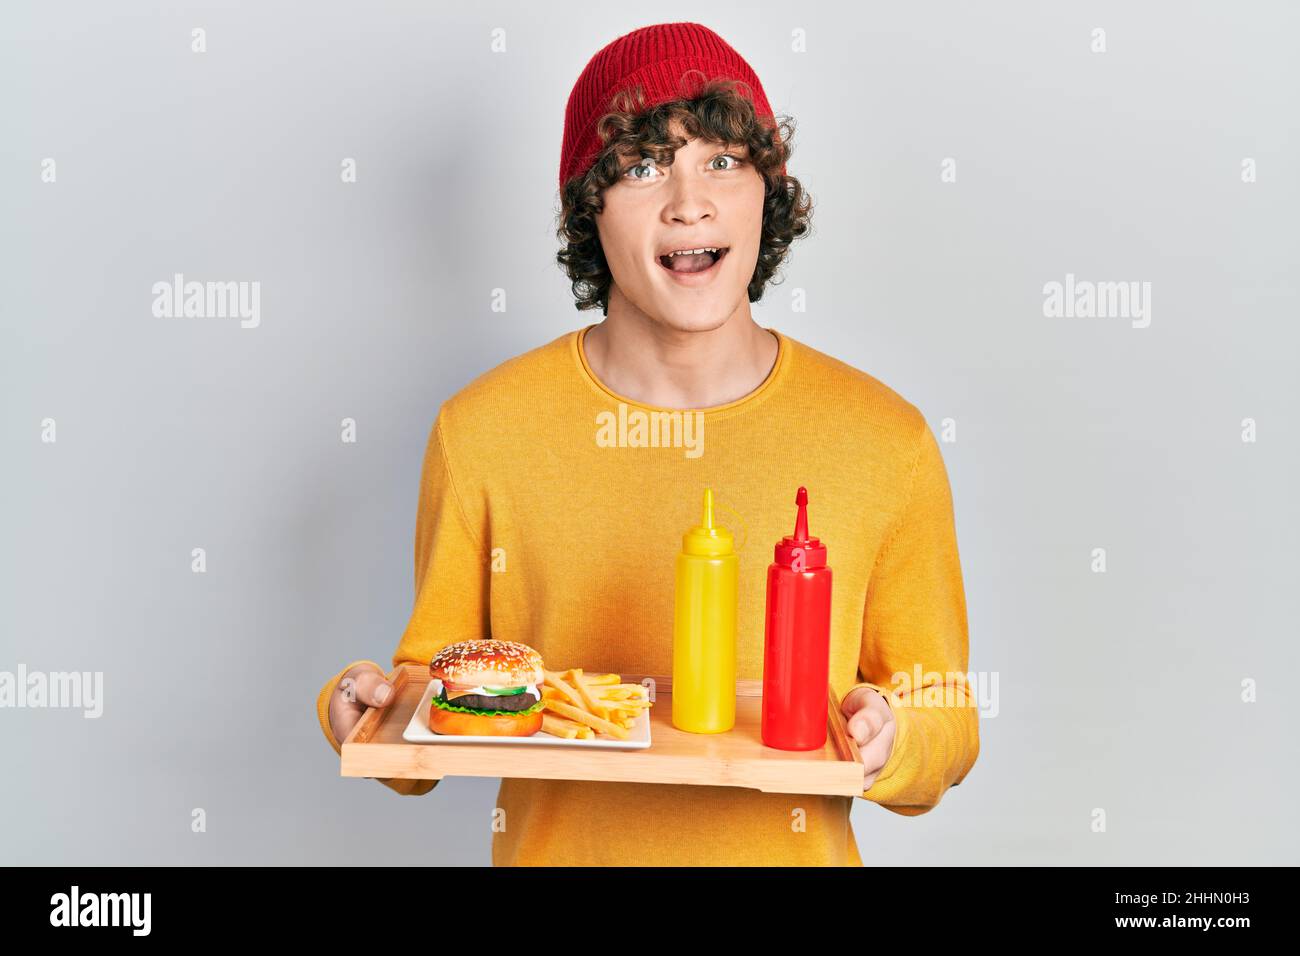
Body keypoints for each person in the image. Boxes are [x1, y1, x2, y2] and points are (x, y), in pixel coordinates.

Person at [316, 21, 978, 866]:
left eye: (722, 160)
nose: (687, 201)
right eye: (640, 167)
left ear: (766, 191)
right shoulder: (480, 432)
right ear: (588, 211)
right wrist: (354, 705)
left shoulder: (887, 440)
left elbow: (945, 711)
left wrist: (897, 738)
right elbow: (429, 704)